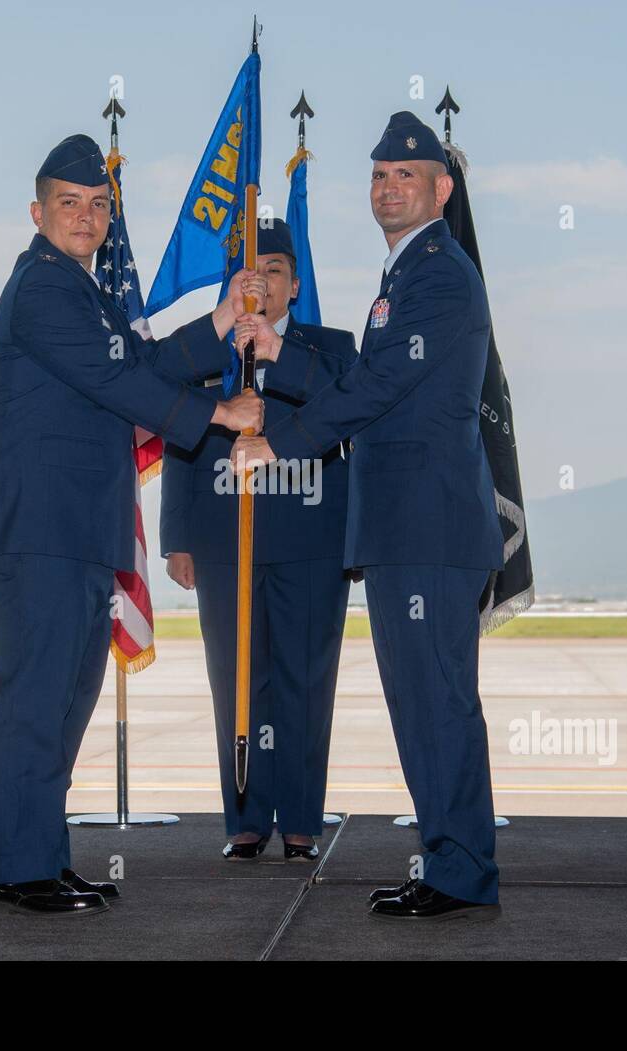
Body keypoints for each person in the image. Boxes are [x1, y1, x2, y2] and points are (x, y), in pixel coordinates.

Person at [0, 133, 265, 915]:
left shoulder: (85, 294)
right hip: (40, 533)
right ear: (38, 212)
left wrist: (221, 321)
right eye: (70, 203)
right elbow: (110, 376)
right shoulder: (42, 288)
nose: (87, 217)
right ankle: (17, 865)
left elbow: (137, 360)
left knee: (62, 706)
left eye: (98, 205)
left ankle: (37, 857)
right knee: (33, 703)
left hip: (78, 533)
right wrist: (218, 410)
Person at [232, 112, 506, 921]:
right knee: (422, 704)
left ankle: (460, 870)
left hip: (427, 527)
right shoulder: (407, 272)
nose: (389, 186)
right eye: (381, 174)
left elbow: (377, 390)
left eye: (407, 176)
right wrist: (283, 356)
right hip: (403, 530)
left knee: (437, 702)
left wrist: (275, 443)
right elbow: (373, 376)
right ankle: (452, 861)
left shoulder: (438, 274)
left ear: (441, 189)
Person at [161, 219, 356, 862]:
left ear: (295, 285)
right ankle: (246, 818)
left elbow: (349, 419)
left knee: (305, 680)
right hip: (223, 540)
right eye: (250, 271)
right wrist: (176, 538)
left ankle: (300, 819)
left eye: (275, 270)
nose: (263, 282)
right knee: (237, 680)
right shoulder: (205, 353)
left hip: (310, 537)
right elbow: (182, 442)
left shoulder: (332, 350)